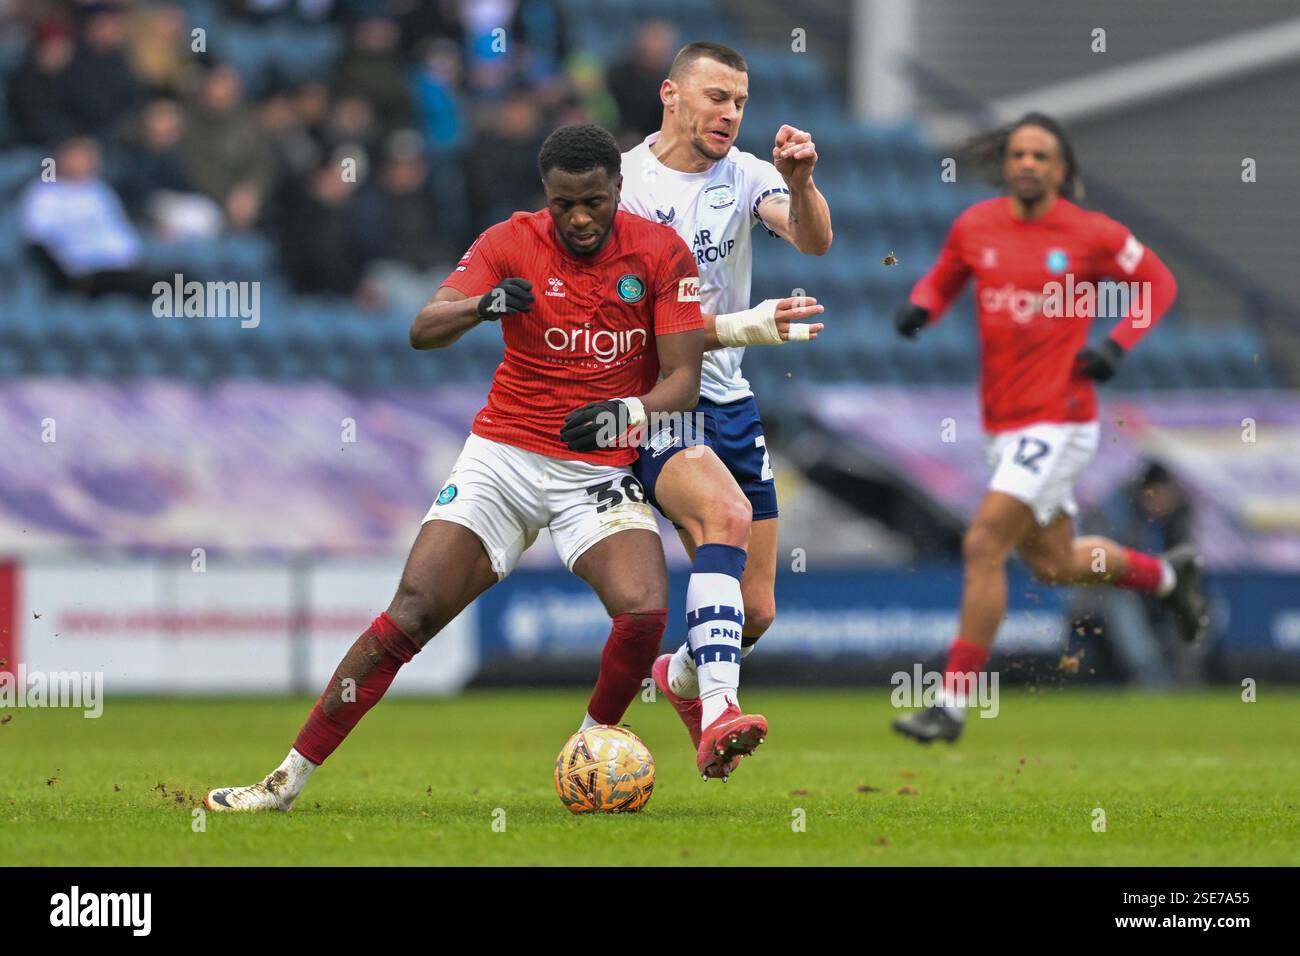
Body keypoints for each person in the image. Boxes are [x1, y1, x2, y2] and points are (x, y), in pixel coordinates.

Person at [204, 124, 710, 812]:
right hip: (502, 459)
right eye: (565, 204)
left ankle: (591, 746)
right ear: (547, 195)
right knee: (410, 613)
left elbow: (683, 377)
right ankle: (284, 782)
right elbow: (423, 326)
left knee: (646, 611)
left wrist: (628, 411)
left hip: (594, 469)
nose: (580, 218)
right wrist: (482, 307)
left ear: (618, 189)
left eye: (593, 201)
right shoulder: (509, 241)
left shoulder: (658, 252)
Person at [890, 112, 1209, 744]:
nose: (1029, 164)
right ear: (1007, 164)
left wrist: (1116, 345)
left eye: (1042, 155)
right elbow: (948, 272)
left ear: (1062, 170)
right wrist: (922, 305)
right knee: (1056, 563)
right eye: (1020, 154)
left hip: (1060, 420)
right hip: (1002, 425)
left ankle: (951, 704)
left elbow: (1157, 282)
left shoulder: (1090, 233)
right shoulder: (977, 225)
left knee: (983, 542)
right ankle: (1168, 576)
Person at [616, 42, 832, 779]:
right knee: (726, 520)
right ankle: (718, 715)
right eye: (716, 97)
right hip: (663, 397)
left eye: (739, 101)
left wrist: (801, 185)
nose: (730, 114)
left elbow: (812, 239)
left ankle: (679, 679)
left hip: (732, 399)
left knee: (759, 609)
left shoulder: (748, 175)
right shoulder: (626, 186)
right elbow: (643, 324)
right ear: (671, 95)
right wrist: (750, 324)